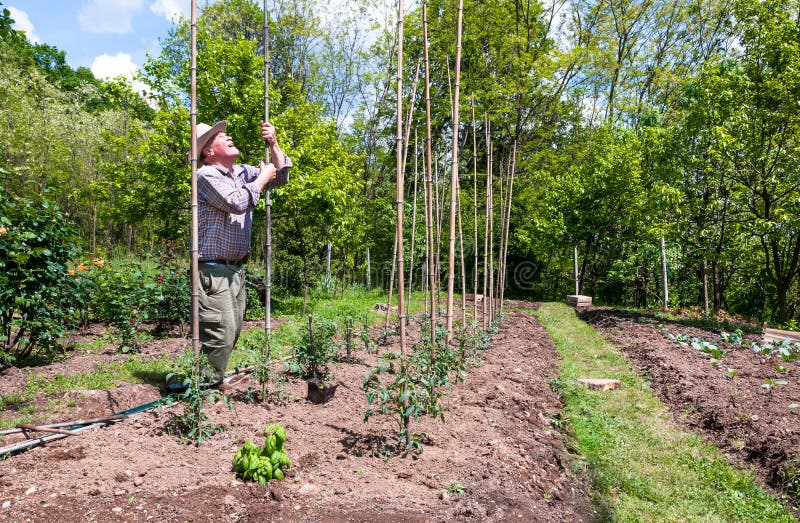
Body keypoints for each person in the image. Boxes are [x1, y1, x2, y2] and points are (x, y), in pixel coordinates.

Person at [194, 120, 291, 390]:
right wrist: (261, 179)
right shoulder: (206, 176)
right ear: (208, 152)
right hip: (213, 270)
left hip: (235, 268)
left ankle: (211, 381)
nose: (229, 138)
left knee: (232, 330)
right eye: (221, 137)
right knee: (219, 332)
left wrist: (273, 144)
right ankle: (205, 389)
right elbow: (236, 202)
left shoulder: (239, 172)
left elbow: (280, 176)